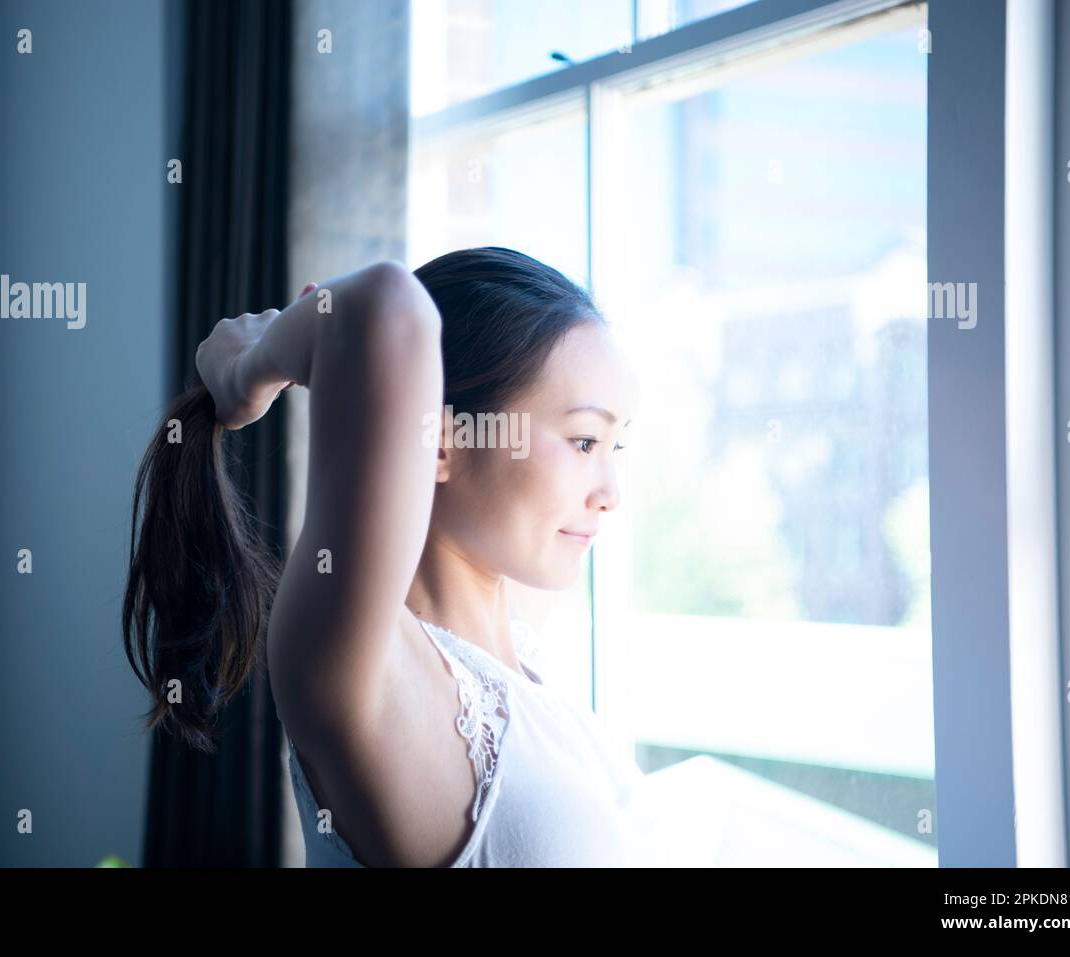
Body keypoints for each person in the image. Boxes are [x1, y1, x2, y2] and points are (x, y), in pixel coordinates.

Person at [124, 246, 665, 867]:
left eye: (615, 446)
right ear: (437, 441)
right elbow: (384, 307)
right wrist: (249, 366)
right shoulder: (362, 676)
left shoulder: (517, 662)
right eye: (584, 440)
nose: (611, 494)